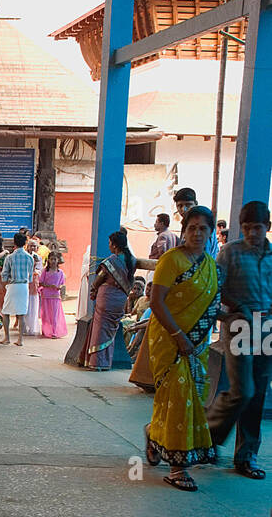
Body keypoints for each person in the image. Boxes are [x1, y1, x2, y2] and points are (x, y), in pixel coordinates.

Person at [144, 204, 220, 492]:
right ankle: (178, 467)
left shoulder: (211, 266)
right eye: (192, 228)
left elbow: (213, 306)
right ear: (183, 231)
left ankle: (153, 433)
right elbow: (156, 303)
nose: (197, 234)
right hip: (169, 339)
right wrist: (179, 336)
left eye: (203, 229)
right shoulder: (171, 261)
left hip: (197, 342)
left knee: (187, 398)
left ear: (211, 232)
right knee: (178, 397)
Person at [206, 200, 271, 480]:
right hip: (239, 327)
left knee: (257, 396)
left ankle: (246, 456)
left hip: (267, 329)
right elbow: (213, 289)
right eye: (246, 228)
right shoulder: (229, 254)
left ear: (267, 227)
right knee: (242, 391)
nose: (252, 233)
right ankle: (205, 438)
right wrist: (233, 309)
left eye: (257, 228)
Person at [79, 228, 135, 369]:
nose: (109, 245)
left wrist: (93, 290)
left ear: (115, 245)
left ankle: (97, 362)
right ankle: (105, 362)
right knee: (111, 330)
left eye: (110, 243)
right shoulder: (132, 260)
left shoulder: (111, 261)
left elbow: (98, 280)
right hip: (120, 299)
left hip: (107, 299)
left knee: (100, 330)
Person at [0, 233, 33, 347]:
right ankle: (20, 339)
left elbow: (4, 274)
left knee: (6, 312)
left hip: (13, 285)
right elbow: (31, 276)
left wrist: (6, 280)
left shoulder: (10, 257)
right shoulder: (30, 257)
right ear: (25, 243)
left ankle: (7, 338)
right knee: (21, 313)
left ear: (14, 243)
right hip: (24, 286)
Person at [174, 187, 218, 259]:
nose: (184, 209)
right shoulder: (186, 224)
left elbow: (201, 256)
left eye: (188, 205)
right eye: (180, 206)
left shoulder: (203, 223)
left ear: (196, 204)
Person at [38, 251, 68, 338]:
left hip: (55, 296)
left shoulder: (60, 272)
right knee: (46, 315)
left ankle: (54, 331)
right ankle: (45, 330)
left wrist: (59, 287)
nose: (53, 261)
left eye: (55, 259)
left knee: (55, 315)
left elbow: (63, 283)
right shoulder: (45, 271)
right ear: (48, 260)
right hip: (46, 295)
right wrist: (49, 286)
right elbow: (40, 283)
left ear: (58, 260)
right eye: (52, 259)